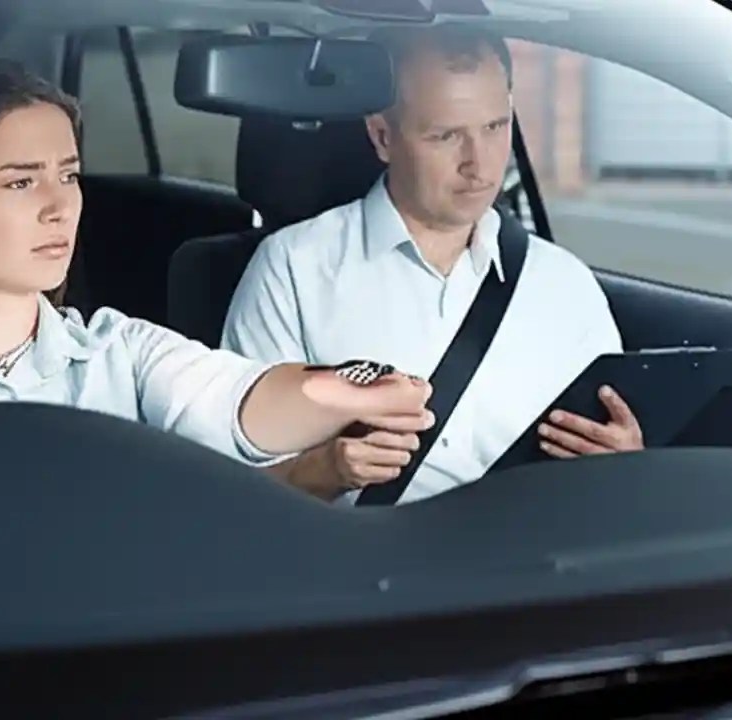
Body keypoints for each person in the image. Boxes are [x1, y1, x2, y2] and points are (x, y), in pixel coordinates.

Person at [0, 57, 435, 548]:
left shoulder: (117, 352)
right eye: (20, 183)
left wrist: (350, 389)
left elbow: (241, 400)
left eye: (68, 176)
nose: (59, 208)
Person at [220, 25, 644, 505]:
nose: (479, 164)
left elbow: (611, 471)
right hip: (364, 568)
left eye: (495, 127)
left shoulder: (563, 284)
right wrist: (329, 468)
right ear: (382, 135)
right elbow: (235, 493)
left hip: (539, 569)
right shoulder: (293, 271)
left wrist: (626, 463)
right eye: (445, 136)